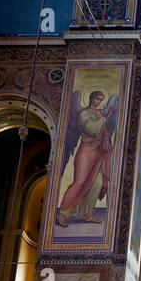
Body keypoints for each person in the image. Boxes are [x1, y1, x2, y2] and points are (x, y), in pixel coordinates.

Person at [56, 90, 117, 226]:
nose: (99, 102)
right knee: (79, 182)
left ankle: (88, 213)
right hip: (86, 152)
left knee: (98, 183)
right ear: (91, 99)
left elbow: (104, 132)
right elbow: (93, 130)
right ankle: (62, 213)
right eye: (97, 99)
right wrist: (105, 118)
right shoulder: (83, 114)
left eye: (101, 100)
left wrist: (107, 140)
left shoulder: (99, 114)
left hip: (99, 152)